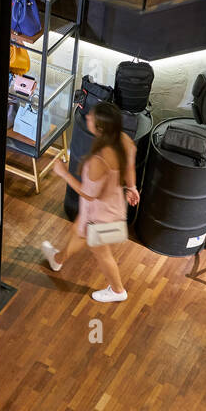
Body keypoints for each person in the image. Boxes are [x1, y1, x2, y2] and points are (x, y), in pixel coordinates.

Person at [44, 101, 140, 303]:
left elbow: (88, 194)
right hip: (108, 207)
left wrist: (63, 173)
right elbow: (130, 167)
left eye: (91, 117)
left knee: (102, 254)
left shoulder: (100, 160)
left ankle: (117, 290)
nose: (87, 117)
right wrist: (132, 187)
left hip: (101, 216)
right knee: (78, 232)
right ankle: (58, 259)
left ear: (100, 128)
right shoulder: (123, 140)